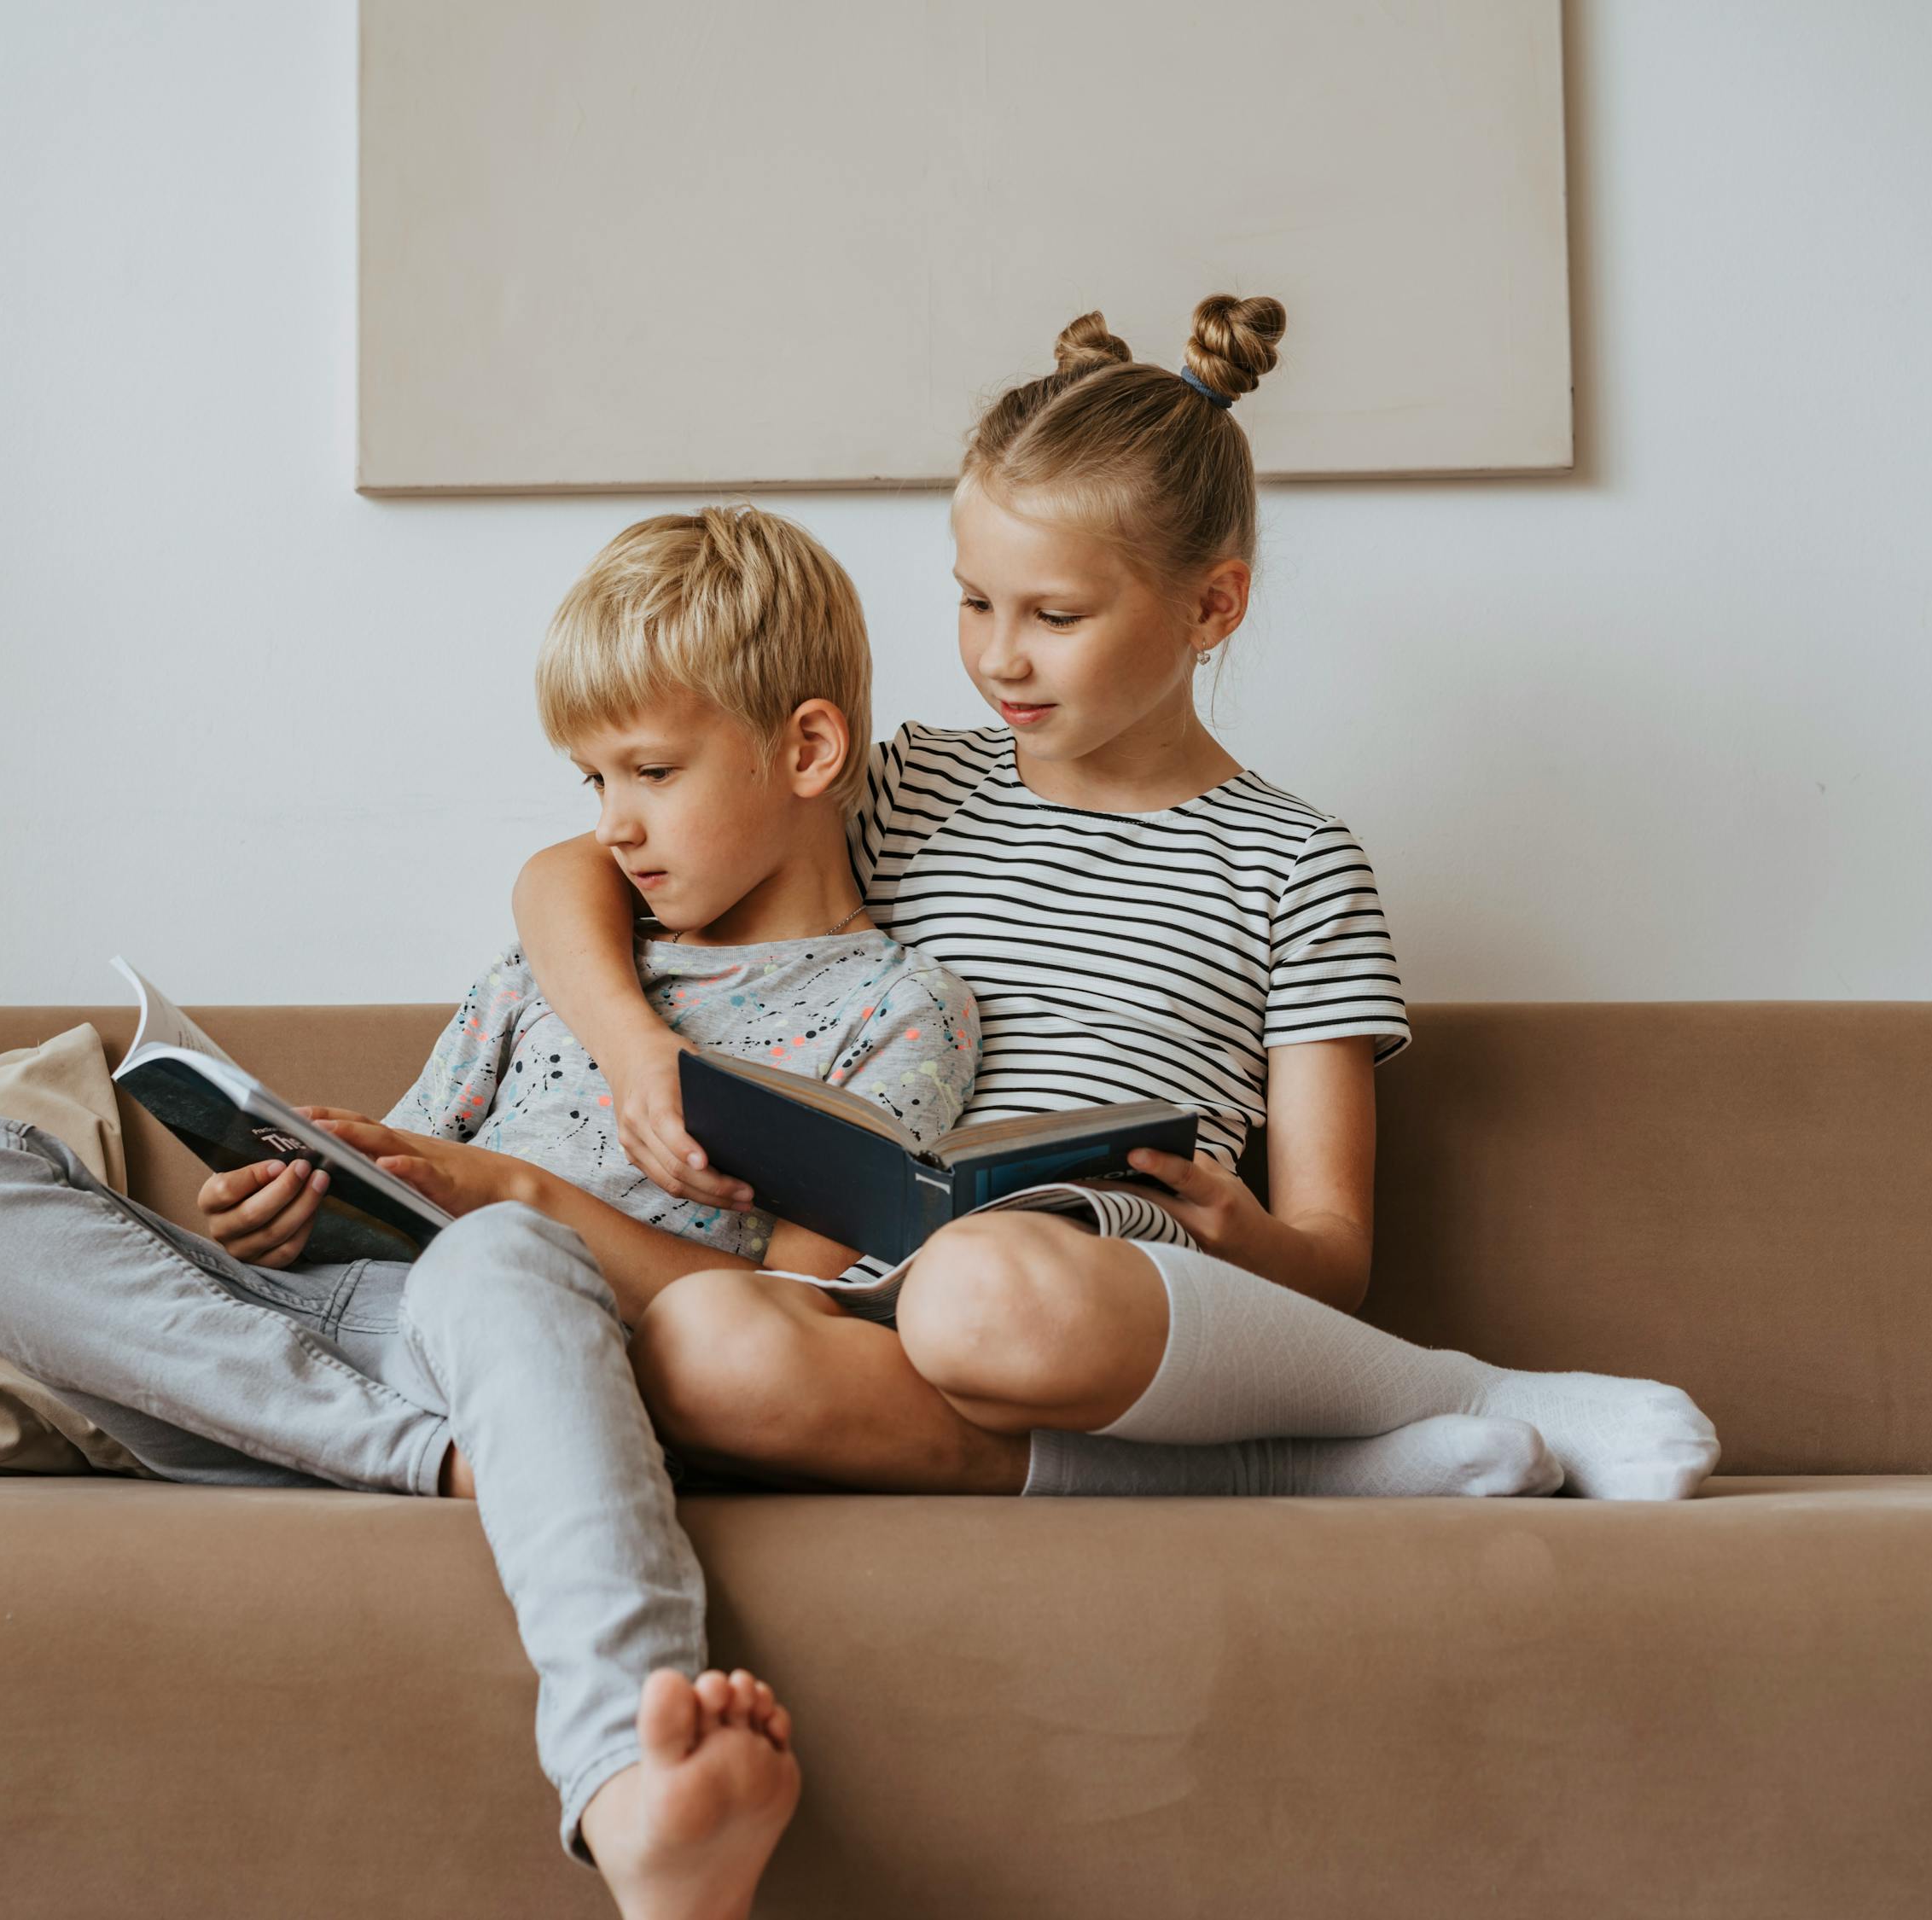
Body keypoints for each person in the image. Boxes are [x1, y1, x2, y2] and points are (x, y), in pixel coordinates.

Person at [0, 504, 977, 1920]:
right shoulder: (554, 964)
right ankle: (445, 1463)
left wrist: (517, 1194)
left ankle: (629, 1783)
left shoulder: (894, 1014)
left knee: (506, 1256)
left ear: (808, 752)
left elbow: (791, 1321)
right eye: (589, 780)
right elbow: (417, 1160)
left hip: (574, 1352)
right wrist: (301, 1194)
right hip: (351, 1337)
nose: (613, 821)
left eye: (650, 769)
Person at [512, 298, 1724, 1505]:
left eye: (1056, 615)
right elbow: (566, 872)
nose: (999, 655)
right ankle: (1290, 1473)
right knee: (701, 1341)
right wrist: (640, 1053)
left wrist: (1240, 1231)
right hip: (872, 1301)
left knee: (976, 1287)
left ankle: (1468, 1392)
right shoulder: (908, 785)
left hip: (1114, 1284)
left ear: (1211, 608)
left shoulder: (1293, 865)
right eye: (975, 600)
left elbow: (1332, 1251)